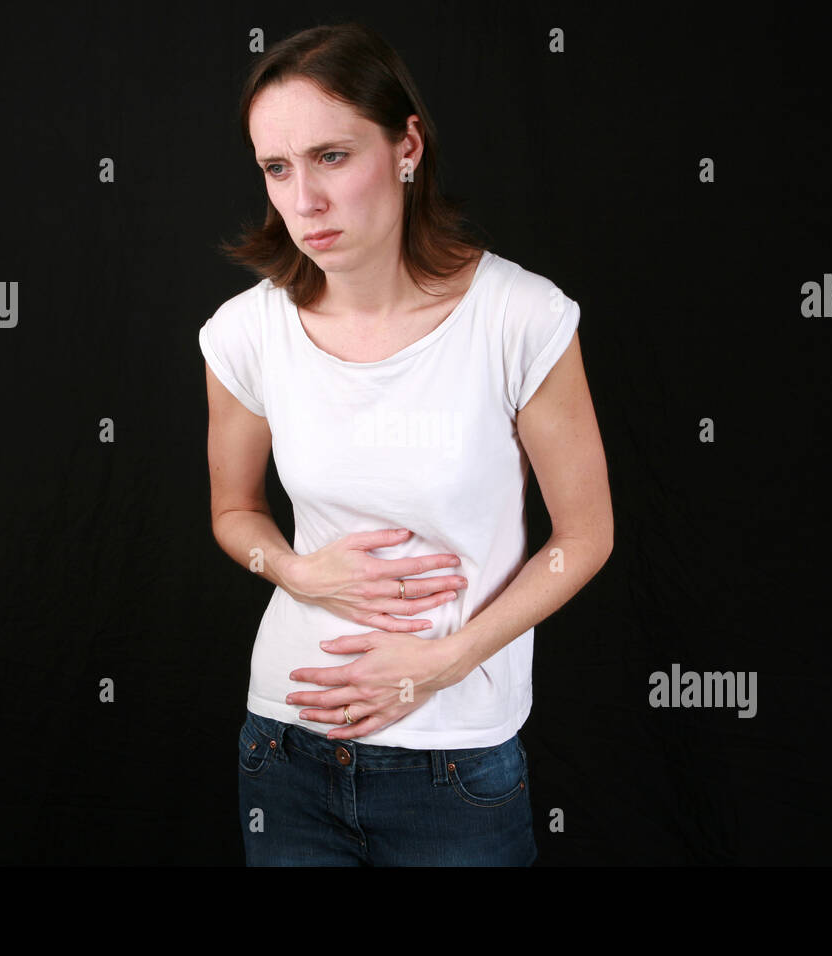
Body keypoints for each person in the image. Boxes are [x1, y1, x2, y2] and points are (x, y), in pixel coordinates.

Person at [199, 21, 612, 866]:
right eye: (277, 168)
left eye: (333, 157)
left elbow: (586, 537)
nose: (303, 200)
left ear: (406, 146)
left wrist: (444, 661)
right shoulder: (246, 333)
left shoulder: (518, 317)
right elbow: (235, 512)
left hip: (454, 761)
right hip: (284, 747)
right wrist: (296, 569)